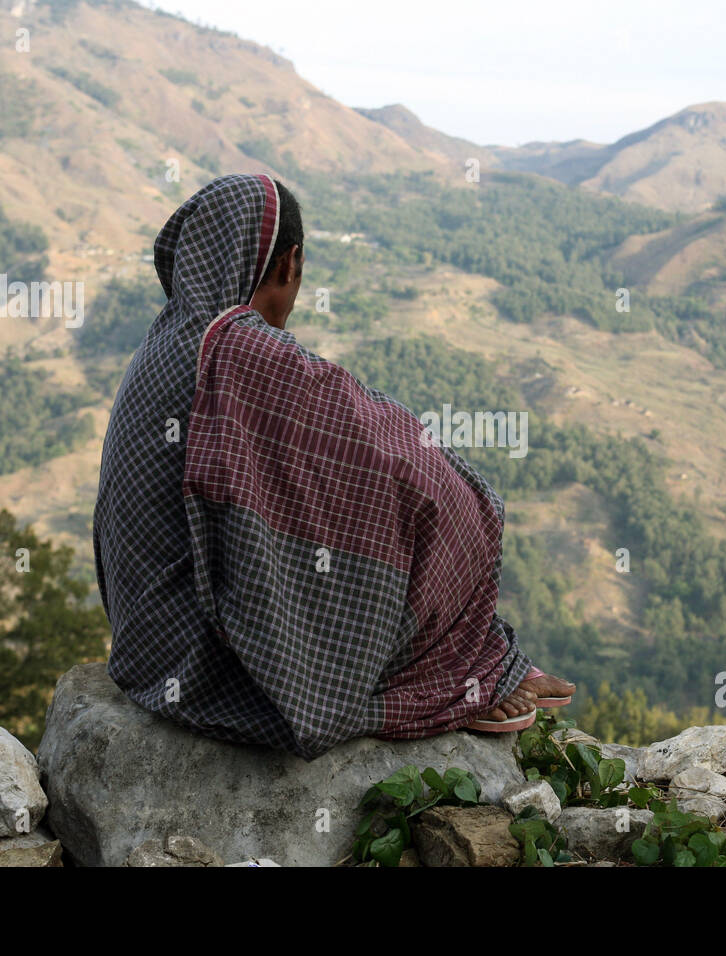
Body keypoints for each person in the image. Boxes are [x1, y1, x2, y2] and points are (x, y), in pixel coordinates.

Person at [93, 173, 573, 760]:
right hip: (208, 672)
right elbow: (402, 457)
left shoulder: (164, 339)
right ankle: (465, 669)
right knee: (442, 501)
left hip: (148, 647)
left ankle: (480, 658)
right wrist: (476, 501)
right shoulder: (241, 348)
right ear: (290, 262)